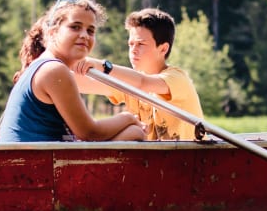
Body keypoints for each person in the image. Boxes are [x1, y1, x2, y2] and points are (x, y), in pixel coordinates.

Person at [0, 0, 146, 142]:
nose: (84, 35)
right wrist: (127, 118)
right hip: (31, 161)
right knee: (134, 133)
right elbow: (89, 132)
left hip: (38, 158)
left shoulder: (45, 65)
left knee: (133, 132)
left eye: (90, 30)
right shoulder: (54, 70)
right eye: (75, 27)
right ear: (53, 32)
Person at [72, 8, 204, 141]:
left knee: (130, 129)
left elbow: (143, 82)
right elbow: (81, 84)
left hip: (189, 158)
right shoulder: (130, 81)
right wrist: (57, 63)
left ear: (163, 49)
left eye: (141, 44)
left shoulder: (177, 78)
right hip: (155, 158)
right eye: (131, 44)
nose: (133, 50)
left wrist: (102, 65)